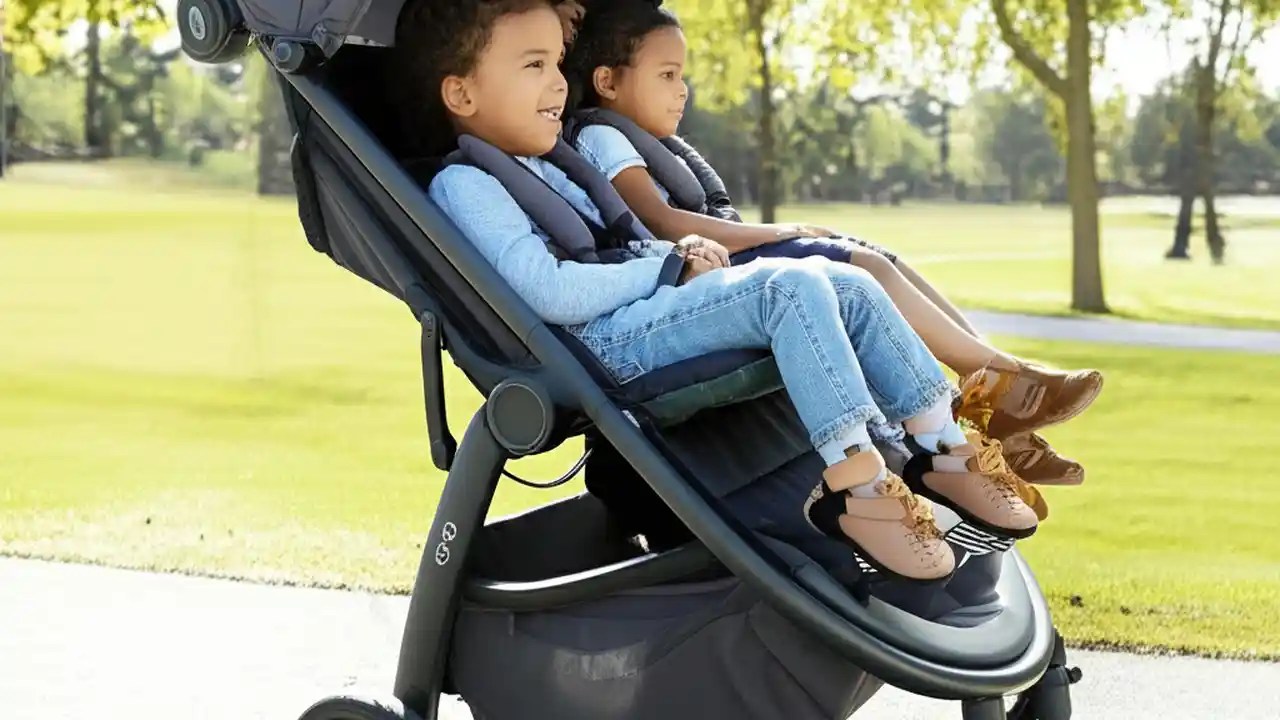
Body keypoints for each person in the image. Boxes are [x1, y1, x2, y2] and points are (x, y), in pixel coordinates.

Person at [384, 0, 1042, 583]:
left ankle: (942, 449)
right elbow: (548, 290)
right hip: (606, 344)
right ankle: (859, 489)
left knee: (847, 280)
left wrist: (677, 255)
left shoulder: (551, 167)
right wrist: (667, 269)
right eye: (534, 65)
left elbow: (614, 242)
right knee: (790, 289)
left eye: (558, 62)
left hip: (643, 310)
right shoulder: (465, 185)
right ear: (461, 94)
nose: (560, 82)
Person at [560, 0, 1103, 485]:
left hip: (729, 265)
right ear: (608, 81)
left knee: (883, 262)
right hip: (710, 281)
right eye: (667, 75)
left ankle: (997, 391)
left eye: (683, 75)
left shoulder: (643, 140)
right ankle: (999, 386)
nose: (683, 90)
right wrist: (778, 232)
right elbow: (661, 222)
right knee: (865, 268)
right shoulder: (603, 136)